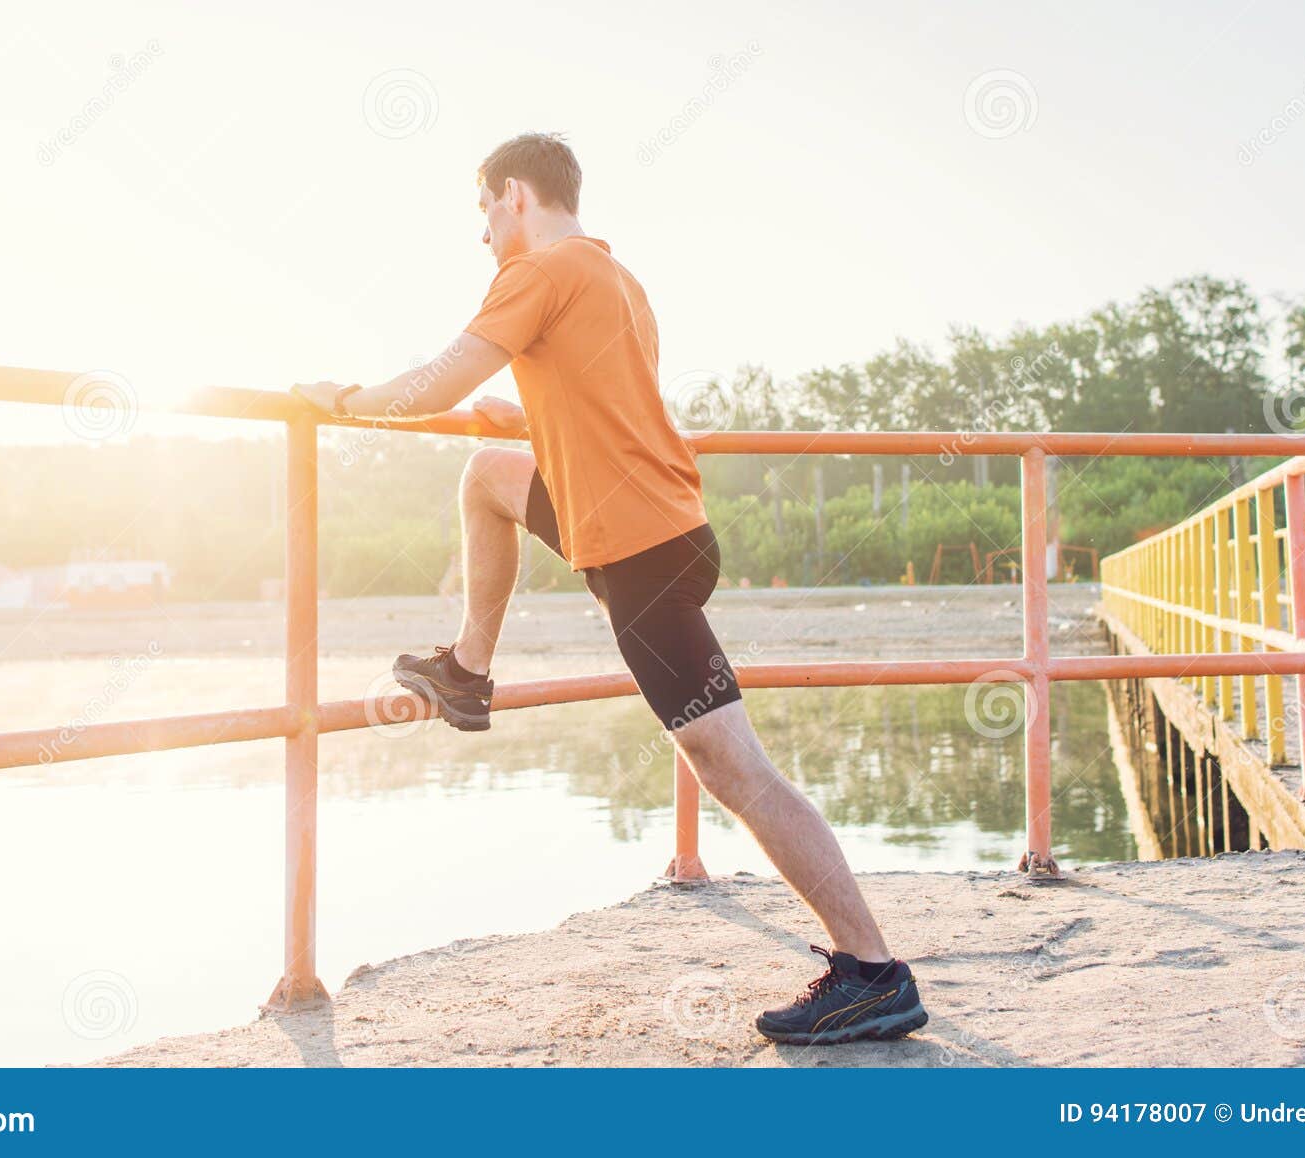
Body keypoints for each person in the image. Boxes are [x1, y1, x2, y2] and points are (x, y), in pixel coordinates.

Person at [293, 132, 927, 1045]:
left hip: (641, 551)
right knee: (488, 477)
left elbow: (436, 381)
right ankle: (467, 670)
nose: (481, 232)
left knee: (730, 765)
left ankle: (872, 971)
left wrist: (341, 400)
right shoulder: (613, 276)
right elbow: (606, 407)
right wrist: (528, 416)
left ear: (515, 194)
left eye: (483, 208)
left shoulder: (536, 272)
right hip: (654, 523)